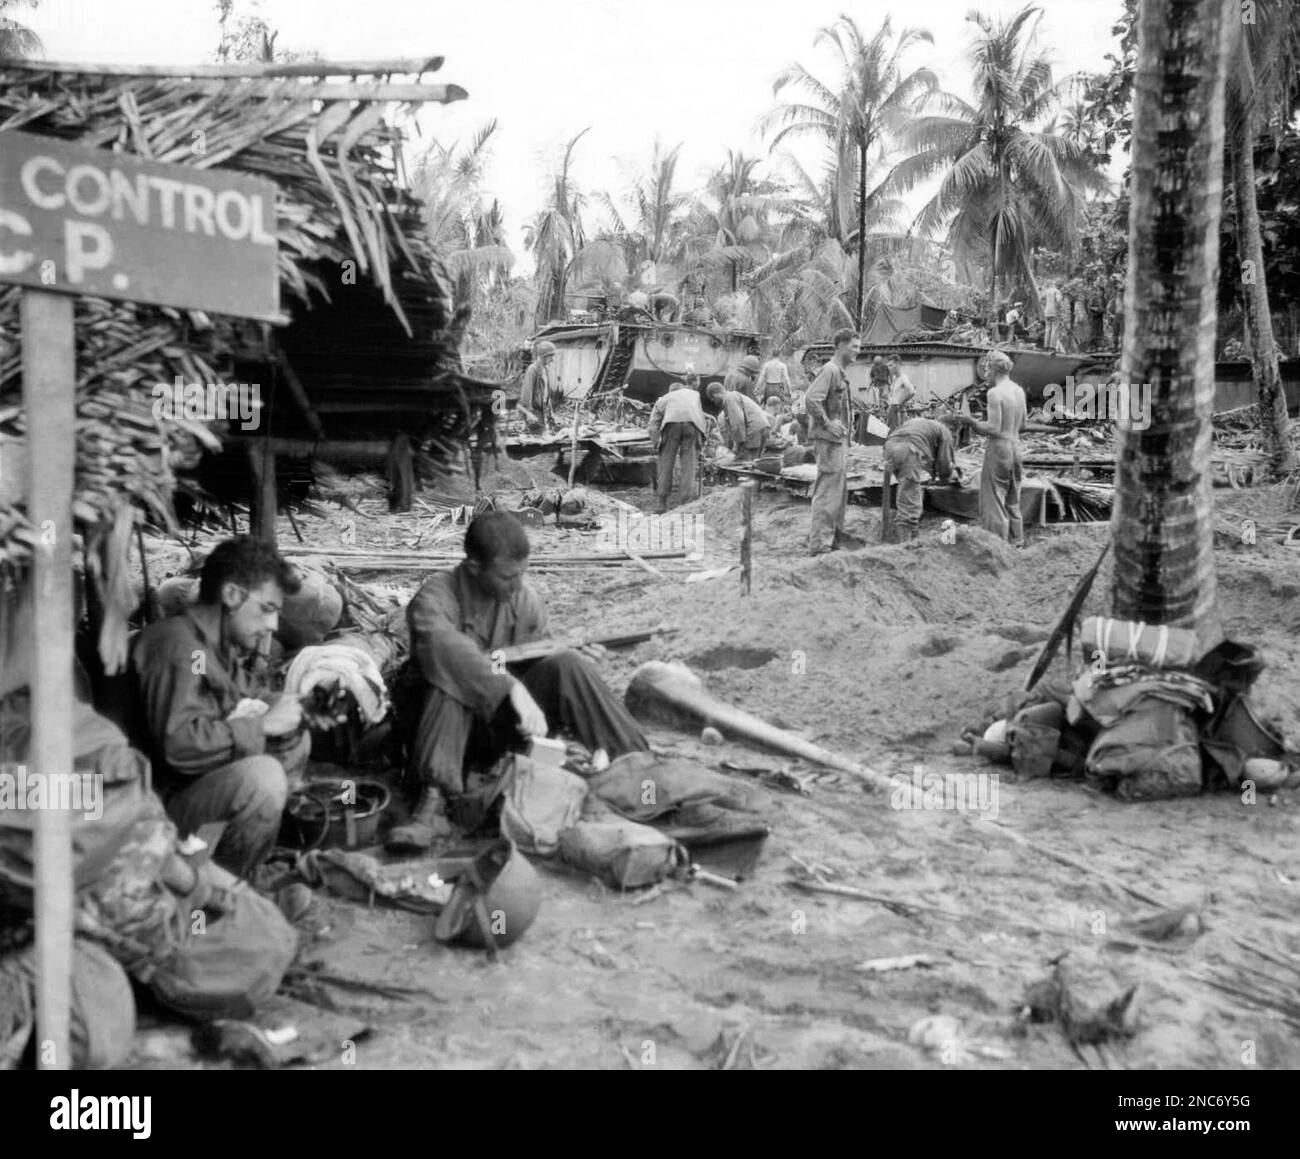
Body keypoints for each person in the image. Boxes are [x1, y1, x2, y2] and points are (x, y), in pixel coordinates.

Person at [390, 513, 649, 850]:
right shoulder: (436, 596)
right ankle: (433, 806)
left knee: (568, 663)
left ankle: (640, 769)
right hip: (442, 736)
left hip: (500, 733)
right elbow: (444, 647)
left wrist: (573, 660)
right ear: (473, 567)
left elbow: (538, 658)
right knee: (452, 676)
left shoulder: (523, 599)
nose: (516, 586)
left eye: (522, 574)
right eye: (507, 577)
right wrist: (510, 686)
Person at [131, 537, 310, 880]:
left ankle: (248, 857)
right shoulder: (180, 648)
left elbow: (236, 699)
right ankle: (214, 890)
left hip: (191, 790)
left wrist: (292, 710)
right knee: (264, 779)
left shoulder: (211, 646)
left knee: (293, 734)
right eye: (268, 609)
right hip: (154, 817)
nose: (273, 626)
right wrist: (262, 726)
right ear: (231, 596)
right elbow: (179, 746)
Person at [805, 328, 860, 555]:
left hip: (838, 442)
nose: (858, 350)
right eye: (854, 346)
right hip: (828, 441)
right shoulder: (829, 370)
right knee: (828, 492)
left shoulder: (840, 372)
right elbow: (811, 398)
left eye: (859, 346)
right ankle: (820, 546)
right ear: (840, 346)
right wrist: (827, 423)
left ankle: (832, 541)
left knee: (838, 492)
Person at [964, 349, 1027, 544]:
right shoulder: (1018, 390)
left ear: (993, 369)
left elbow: (993, 428)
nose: (986, 373)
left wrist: (971, 423)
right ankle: (1017, 542)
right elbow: (1023, 424)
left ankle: (996, 545)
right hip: (1016, 447)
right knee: (1013, 499)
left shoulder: (995, 393)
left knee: (994, 500)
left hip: (999, 449)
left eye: (987, 369)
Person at [882, 417, 963, 542]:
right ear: (952, 429)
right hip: (909, 450)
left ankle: (913, 540)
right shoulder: (945, 431)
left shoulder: (921, 424)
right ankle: (905, 547)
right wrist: (954, 474)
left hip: (890, 447)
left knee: (911, 496)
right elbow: (944, 470)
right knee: (909, 505)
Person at [648, 372, 708, 512]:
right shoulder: (694, 395)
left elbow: (653, 424)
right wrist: (702, 441)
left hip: (671, 425)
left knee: (666, 463)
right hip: (692, 425)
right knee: (689, 464)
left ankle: (662, 504)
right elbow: (699, 417)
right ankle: (685, 504)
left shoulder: (663, 399)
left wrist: (656, 442)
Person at [707, 379, 771, 462]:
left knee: (743, 462)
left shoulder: (729, 398)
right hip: (761, 427)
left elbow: (737, 422)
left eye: (714, 400)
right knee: (754, 462)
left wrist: (737, 445)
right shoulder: (734, 396)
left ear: (716, 394)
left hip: (753, 429)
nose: (715, 403)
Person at [517, 340, 559, 432]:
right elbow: (526, 393)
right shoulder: (533, 370)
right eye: (551, 356)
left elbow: (546, 393)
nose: (552, 359)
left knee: (543, 437)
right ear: (543, 356)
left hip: (543, 410)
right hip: (534, 412)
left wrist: (550, 412)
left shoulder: (545, 369)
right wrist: (528, 413)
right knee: (536, 440)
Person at [885, 356, 916, 430]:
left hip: (897, 408)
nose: (889, 368)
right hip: (892, 408)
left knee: (896, 431)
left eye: (891, 365)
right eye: (888, 366)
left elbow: (912, 392)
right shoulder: (894, 378)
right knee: (890, 431)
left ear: (898, 364)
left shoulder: (903, 378)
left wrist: (902, 402)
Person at [1041, 282, 1064, 351]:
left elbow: (1041, 299)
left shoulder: (1046, 291)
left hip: (1047, 313)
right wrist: (1059, 308)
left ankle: (1046, 346)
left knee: (1047, 329)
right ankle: (1052, 347)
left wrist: (1045, 306)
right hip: (1054, 312)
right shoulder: (1057, 291)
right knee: (1054, 329)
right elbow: (1059, 300)